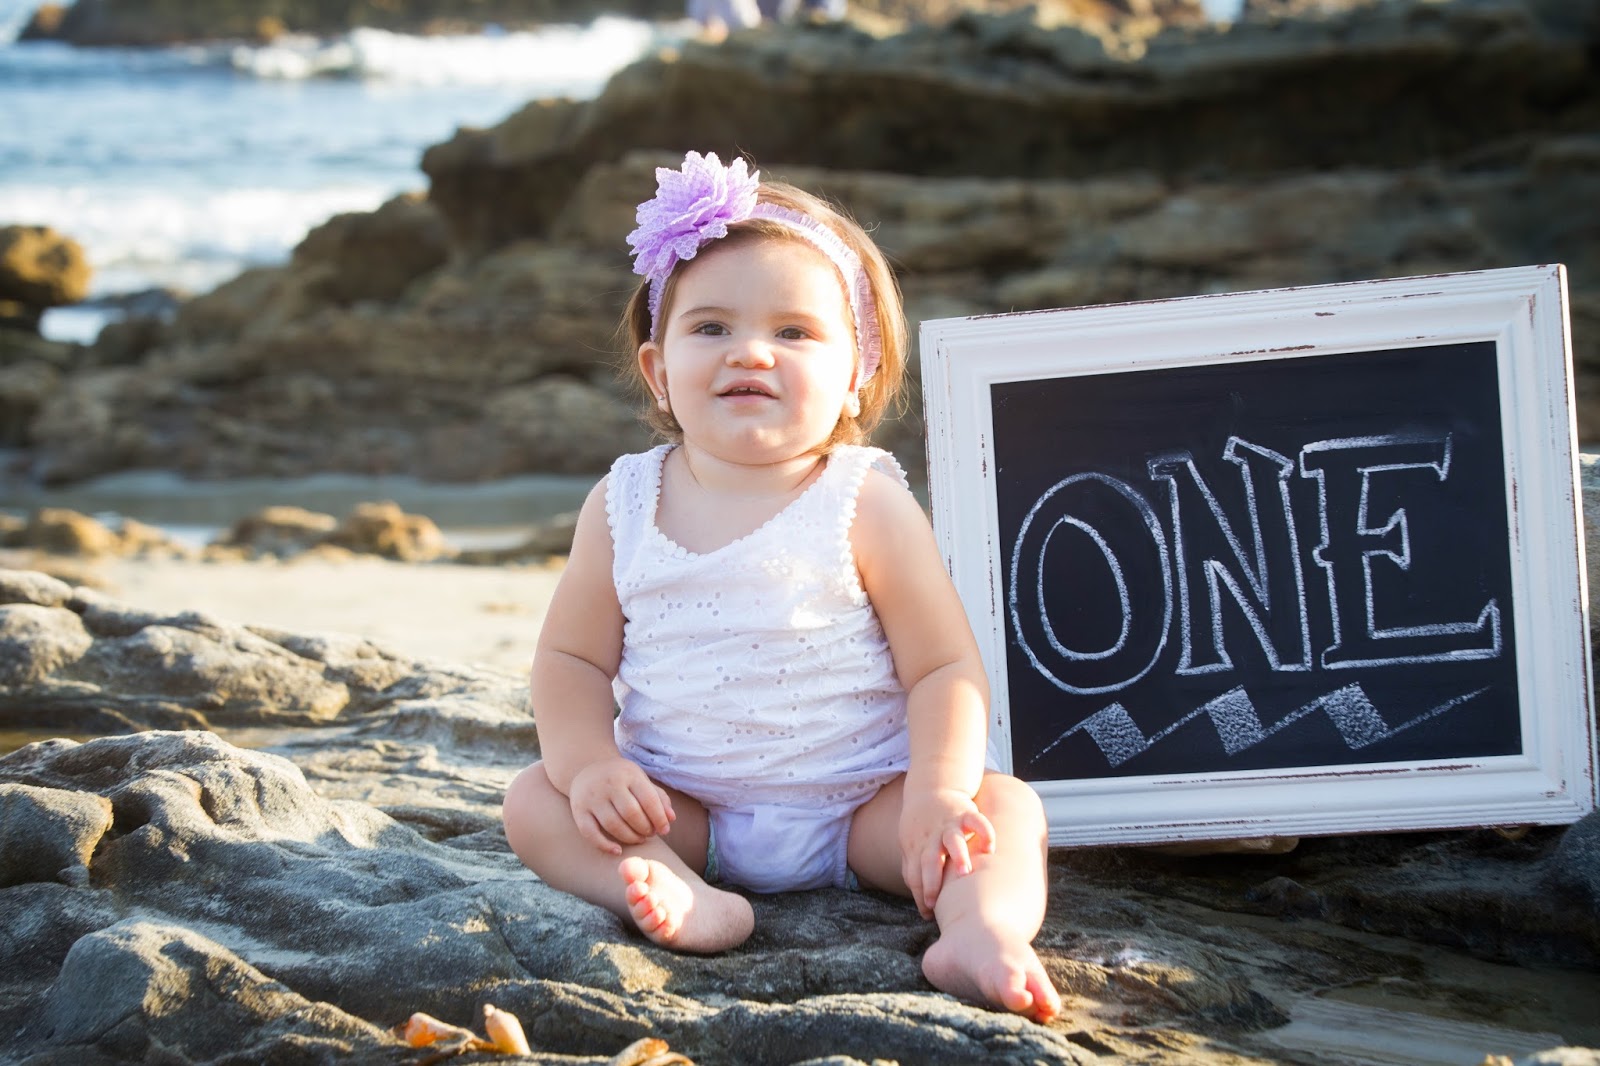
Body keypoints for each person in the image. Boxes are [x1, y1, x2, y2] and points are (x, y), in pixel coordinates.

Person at [501, 151, 1062, 1023]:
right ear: (657, 369)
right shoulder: (623, 500)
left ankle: (982, 933)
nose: (751, 351)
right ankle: (682, 892)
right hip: (687, 809)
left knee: (1002, 809)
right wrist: (592, 766)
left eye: (795, 333)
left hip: (861, 811)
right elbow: (571, 657)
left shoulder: (863, 499)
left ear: (855, 378)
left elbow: (944, 667)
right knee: (535, 800)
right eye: (711, 328)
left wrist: (937, 793)